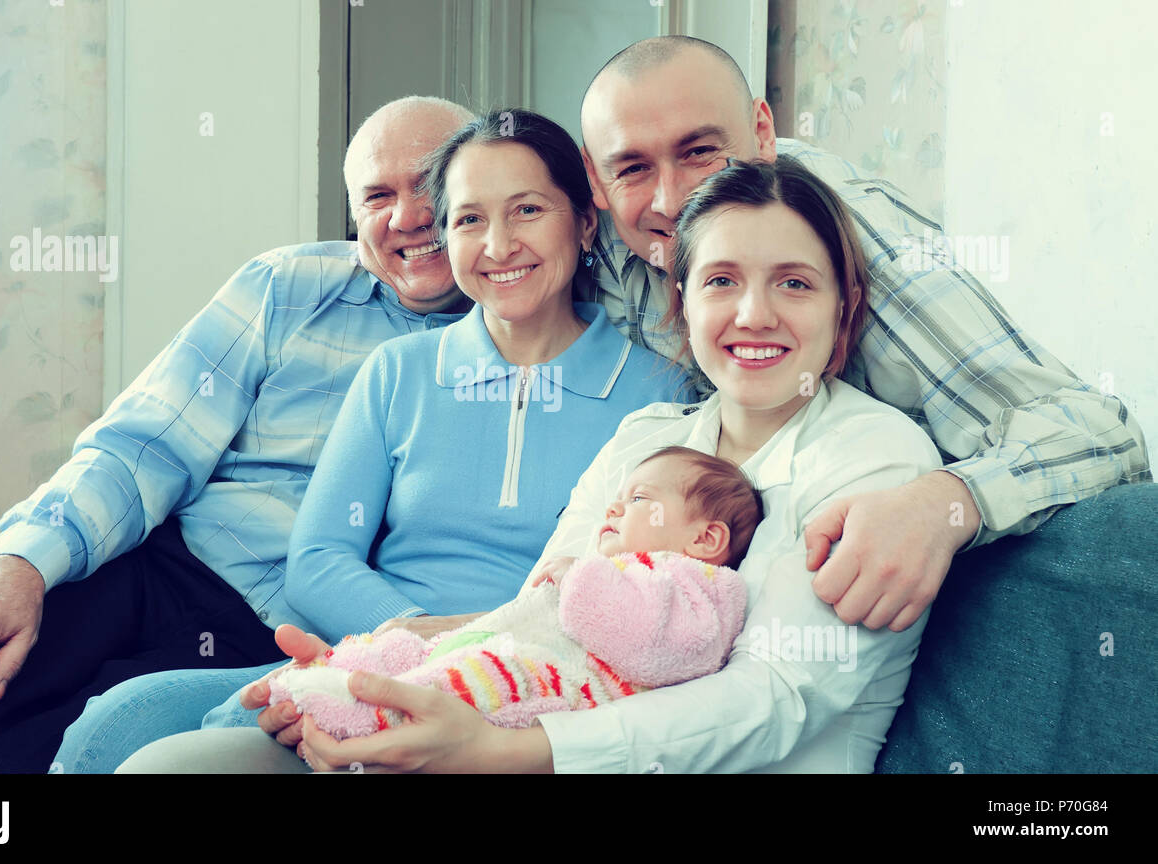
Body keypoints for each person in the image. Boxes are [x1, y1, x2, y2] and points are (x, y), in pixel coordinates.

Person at [117, 155, 944, 774]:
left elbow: (774, 703)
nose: (752, 313)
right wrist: (377, 667)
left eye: (795, 283)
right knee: (177, 758)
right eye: (721, 280)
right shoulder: (653, 435)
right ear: (682, 302)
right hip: (524, 724)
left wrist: (495, 751)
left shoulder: (874, 457)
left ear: (846, 310)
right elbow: (544, 609)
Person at [54, 108, 691, 772]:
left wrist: (472, 650)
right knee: (112, 726)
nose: (498, 246)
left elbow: (647, 580)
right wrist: (410, 638)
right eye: (470, 219)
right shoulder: (401, 371)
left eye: (528, 210)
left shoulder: (657, 393)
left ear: (585, 223)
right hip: (378, 655)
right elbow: (320, 557)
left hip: (534, 681)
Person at [0, 96, 479, 773]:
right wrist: (17, 565)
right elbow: (142, 446)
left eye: (429, 184)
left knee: (52, 756)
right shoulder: (288, 286)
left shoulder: (526, 352)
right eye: (376, 196)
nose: (408, 216)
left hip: (289, 638)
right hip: (161, 568)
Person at [576, 37, 1149, 633]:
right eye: (633, 168)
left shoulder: (861, 249)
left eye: (700, 151)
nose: (673, 200)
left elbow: (1100, 428)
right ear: (595, 177)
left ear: (761, 133)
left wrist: (942, 505)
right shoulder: (611, 233)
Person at [259, 446, 759, 741]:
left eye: (639, 500)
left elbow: (657, 647)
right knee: (410, 649)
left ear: (705, 538)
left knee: (458, 679)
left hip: (551, 685)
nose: (613, 510)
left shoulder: (699, 587)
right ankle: (321, 678)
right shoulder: (626, 568)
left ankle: (351, 712)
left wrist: (581, 576)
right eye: (618, 498)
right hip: (495, 644)